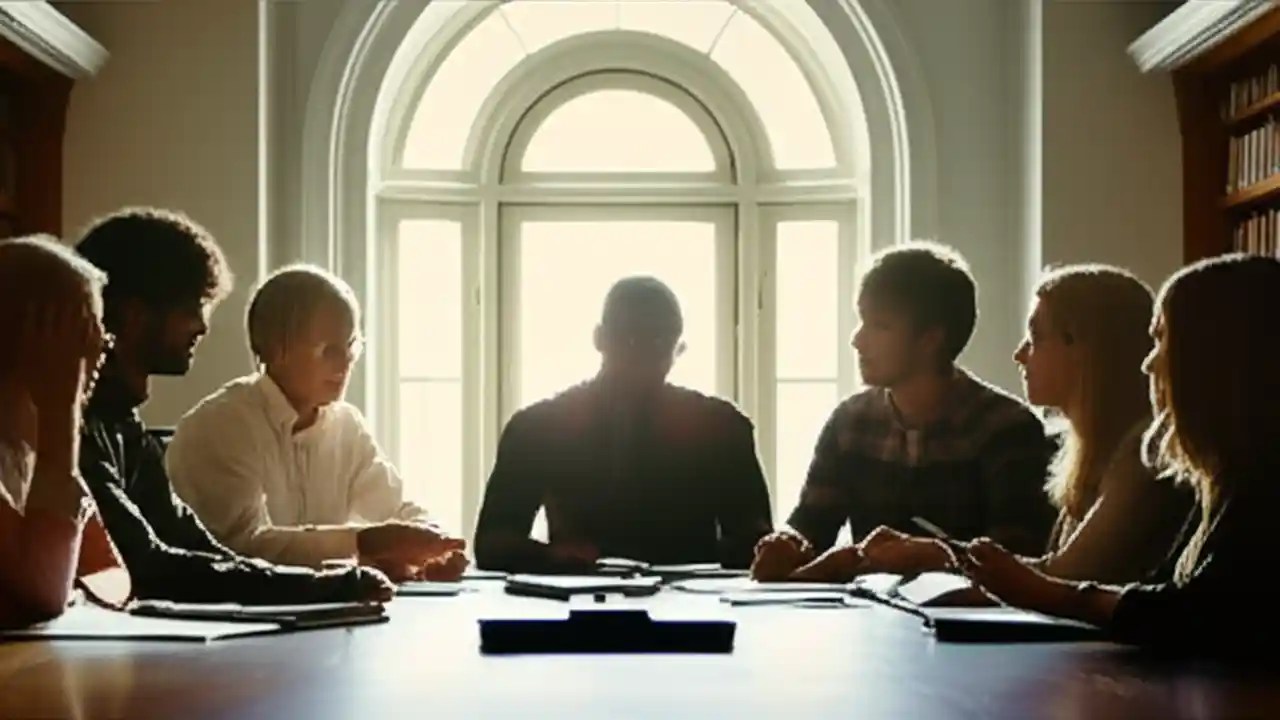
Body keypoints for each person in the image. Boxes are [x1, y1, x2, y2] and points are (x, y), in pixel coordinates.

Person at [957, 254, 1280, 655]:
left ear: (1214, 358)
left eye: (1163, 340)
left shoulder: (1169, 466)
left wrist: (1048, 592)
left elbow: (1194, 613)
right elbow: (1167, 591)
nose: (1149, 363)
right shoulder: (1222, 480)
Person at [792, 265, 1192, 587]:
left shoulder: (1143, 455)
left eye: (1036, 338)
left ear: (1086, 350)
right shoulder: (1086, 451)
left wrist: (933, 554)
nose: (1019, 354)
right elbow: (1050, 572)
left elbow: (1061, 581)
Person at [75, 207, 392, 604]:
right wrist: (328, 586)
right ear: (136, 314)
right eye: (191, 306)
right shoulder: (75, 426)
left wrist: (328, 584)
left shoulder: (121, 424)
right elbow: (151, 566)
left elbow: (199, 549)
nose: (202, 326)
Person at [753, 242, 1055, 581]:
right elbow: (812, 523)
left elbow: (1019, 555)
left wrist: (930, 556)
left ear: (930, 340)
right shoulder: (851, 422)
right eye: (861, 320)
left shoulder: (1004, 428)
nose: (857, 340)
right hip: (870, 620)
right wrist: (787, 544)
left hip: (969, 624)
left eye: (879, 326)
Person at [166, 265, 466, 581]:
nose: (346, 362)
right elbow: (237, 549)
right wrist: (363, 543)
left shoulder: (347, 425)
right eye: (329, 350)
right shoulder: (220, 426)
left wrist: (438, 543)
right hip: (238, 621)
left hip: (333, 613)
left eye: (351, 345)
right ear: (275, 349)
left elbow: (394, 507)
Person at [474, 276, 772, 573]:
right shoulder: (721, 427)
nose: (640, 355)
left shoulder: (539, 427)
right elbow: (491, 545)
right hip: (659, 605)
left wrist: (555, 557)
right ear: (599, 339)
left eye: (656, 343)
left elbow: (759, 547)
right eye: (630, 339)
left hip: (591, 603)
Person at [0, 236, 125, 626]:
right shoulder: (52, 447)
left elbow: (115, 580)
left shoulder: (31, 453)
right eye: (85, 332)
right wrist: (59, 409)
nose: (100, 351)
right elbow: (43, 591)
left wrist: (74, 591)